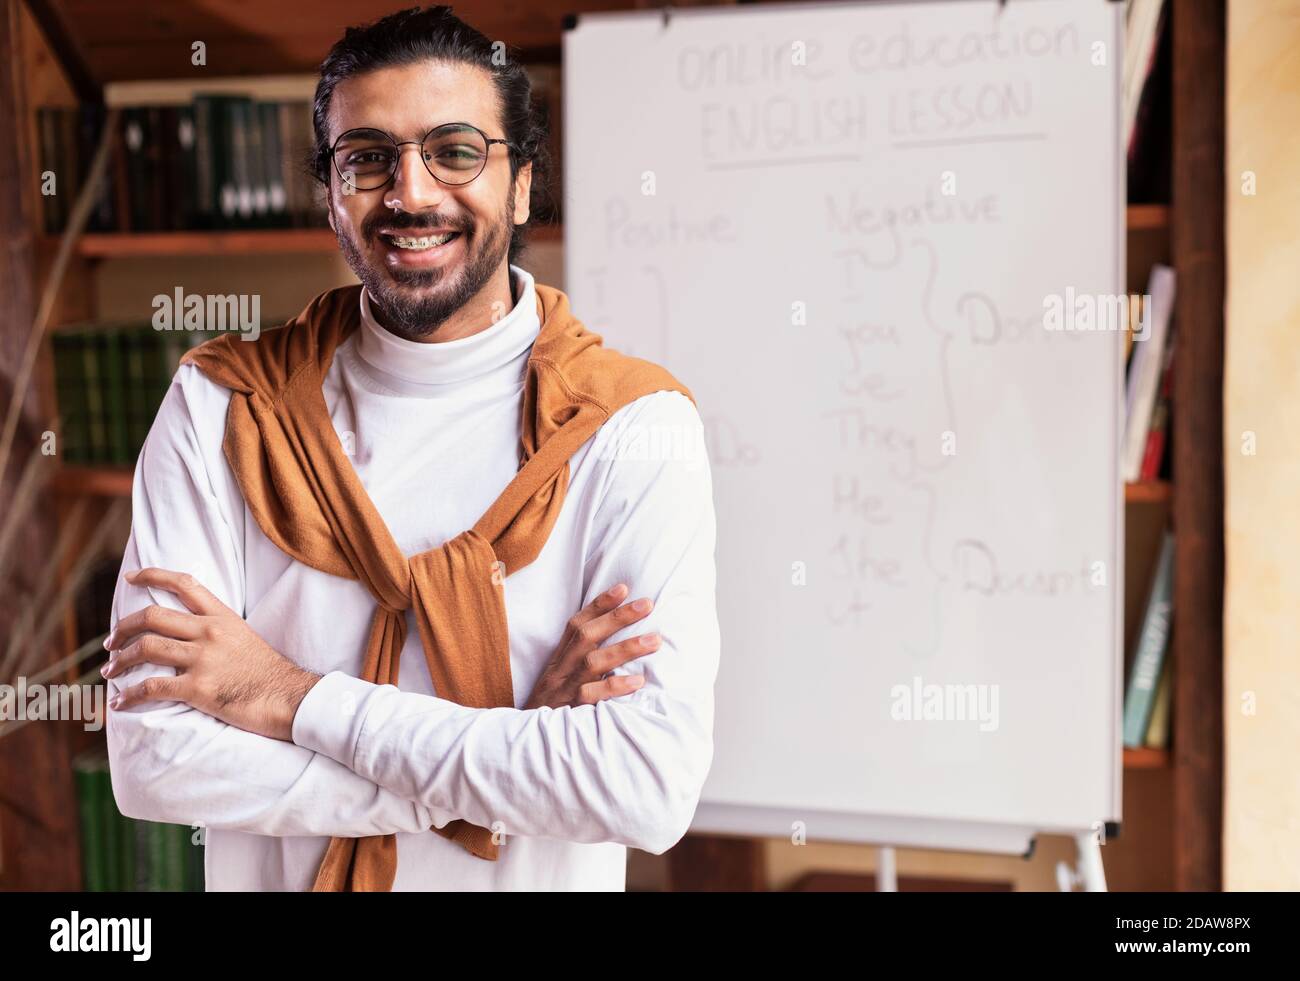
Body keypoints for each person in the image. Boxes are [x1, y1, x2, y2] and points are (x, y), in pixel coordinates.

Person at [101, 5, 719, 891]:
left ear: (521, 185)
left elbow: (644, 788)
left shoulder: (634, 426)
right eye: (368, 159)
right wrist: (503, 760)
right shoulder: (220, 407)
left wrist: (284, 695)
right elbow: (154, 762)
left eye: (456, 150)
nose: (413, 193)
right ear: (329, 190)